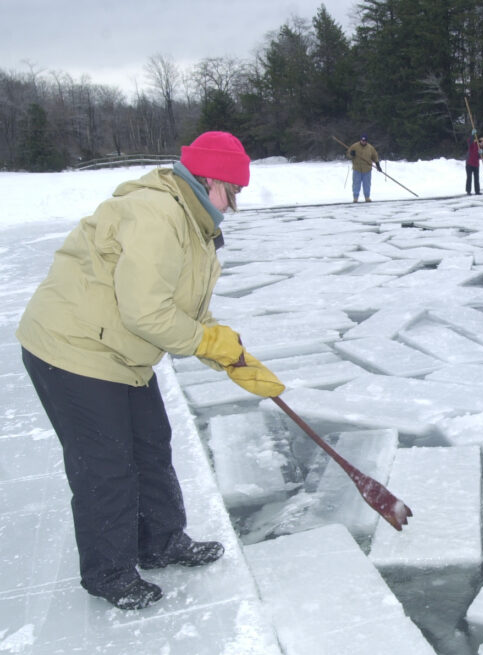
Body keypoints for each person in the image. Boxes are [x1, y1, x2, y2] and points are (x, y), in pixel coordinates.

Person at [16, 131, 285, 611]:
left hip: (121, 350)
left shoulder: (194, 223)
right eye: (233, 191)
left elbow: (187, 311)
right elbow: (146, 311)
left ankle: (160, 541)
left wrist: (232, 355)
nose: (235, 205)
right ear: (208, 177)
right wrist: (207, 342)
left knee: (151, 446)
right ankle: (110, 572)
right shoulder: (158, 214)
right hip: (72, 349)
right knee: (107, 465)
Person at [348, 134, 382, 202]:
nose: (363, 142)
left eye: (365, 141)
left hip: (367, 169)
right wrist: (351, 154)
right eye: (362, 140)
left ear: (366, 141)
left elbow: (375, 156)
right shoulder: (354, 146)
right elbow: (348, 154)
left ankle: (367, 197)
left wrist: (377, 165)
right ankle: (355, 198)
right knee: (356, 184)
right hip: (357, 168)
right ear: (360, 140)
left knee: (367, 184)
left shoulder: (370, 148)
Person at [465, 129, 483, 195]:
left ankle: (477, 191)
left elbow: (481, 157)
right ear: (480, 141)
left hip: (476, 165)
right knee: (469, 177)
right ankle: (468, 191)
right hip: (469, 164)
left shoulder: (480, 148)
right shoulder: (473, 144)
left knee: (476, 178)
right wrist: (472, 135)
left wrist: (481, 154)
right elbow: (469, 141)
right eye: (482, 143)